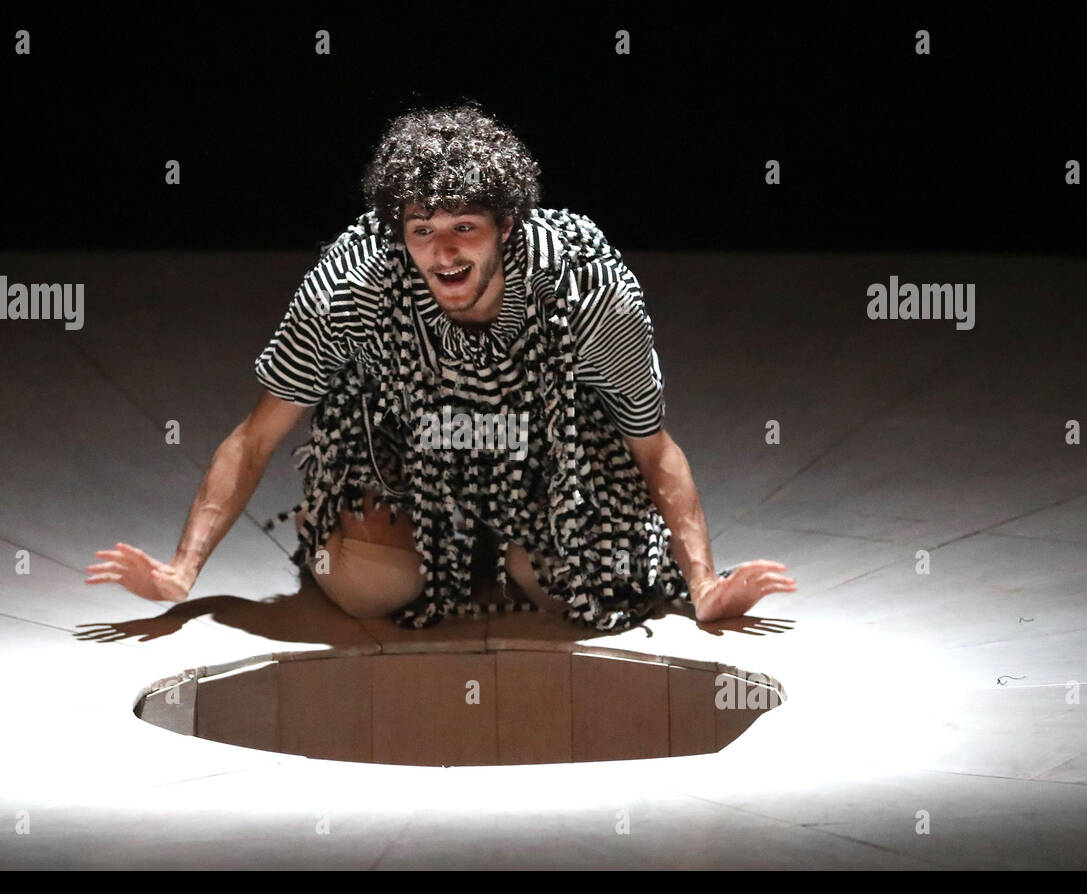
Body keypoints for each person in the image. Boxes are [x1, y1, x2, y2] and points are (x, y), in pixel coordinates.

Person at [87, 104, 796, 629]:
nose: (444, 253)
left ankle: (508, 541)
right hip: (405, 454)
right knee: (372, 585)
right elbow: (255, 438)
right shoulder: (353, 284)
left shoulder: (586, 290)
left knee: (563, 583)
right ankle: (369, 530)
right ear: (399, 233)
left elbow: (653, 447)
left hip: (551, 456)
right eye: (423, 232)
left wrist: (704, 584)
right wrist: (181, 572)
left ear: (506, 227)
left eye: (465, 229)